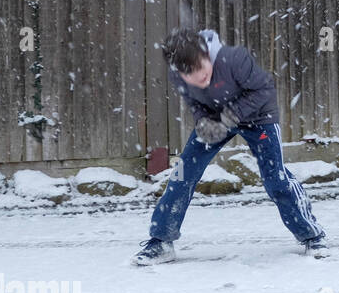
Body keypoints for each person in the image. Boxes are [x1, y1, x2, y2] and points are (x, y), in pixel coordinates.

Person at [134, 29, 328, 265]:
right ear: (179, 72)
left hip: (260, 119)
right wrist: (204, 122)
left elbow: (264, 89)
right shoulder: (177, 76)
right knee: (181, 174)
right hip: (216, 121)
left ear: (207, 54)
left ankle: (312, 235)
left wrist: (229, 117)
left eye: (202, 66)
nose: (201, 75)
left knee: (275, 179)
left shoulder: (234, 59)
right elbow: (194, 102)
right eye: (191, 73)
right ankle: (161, 241)